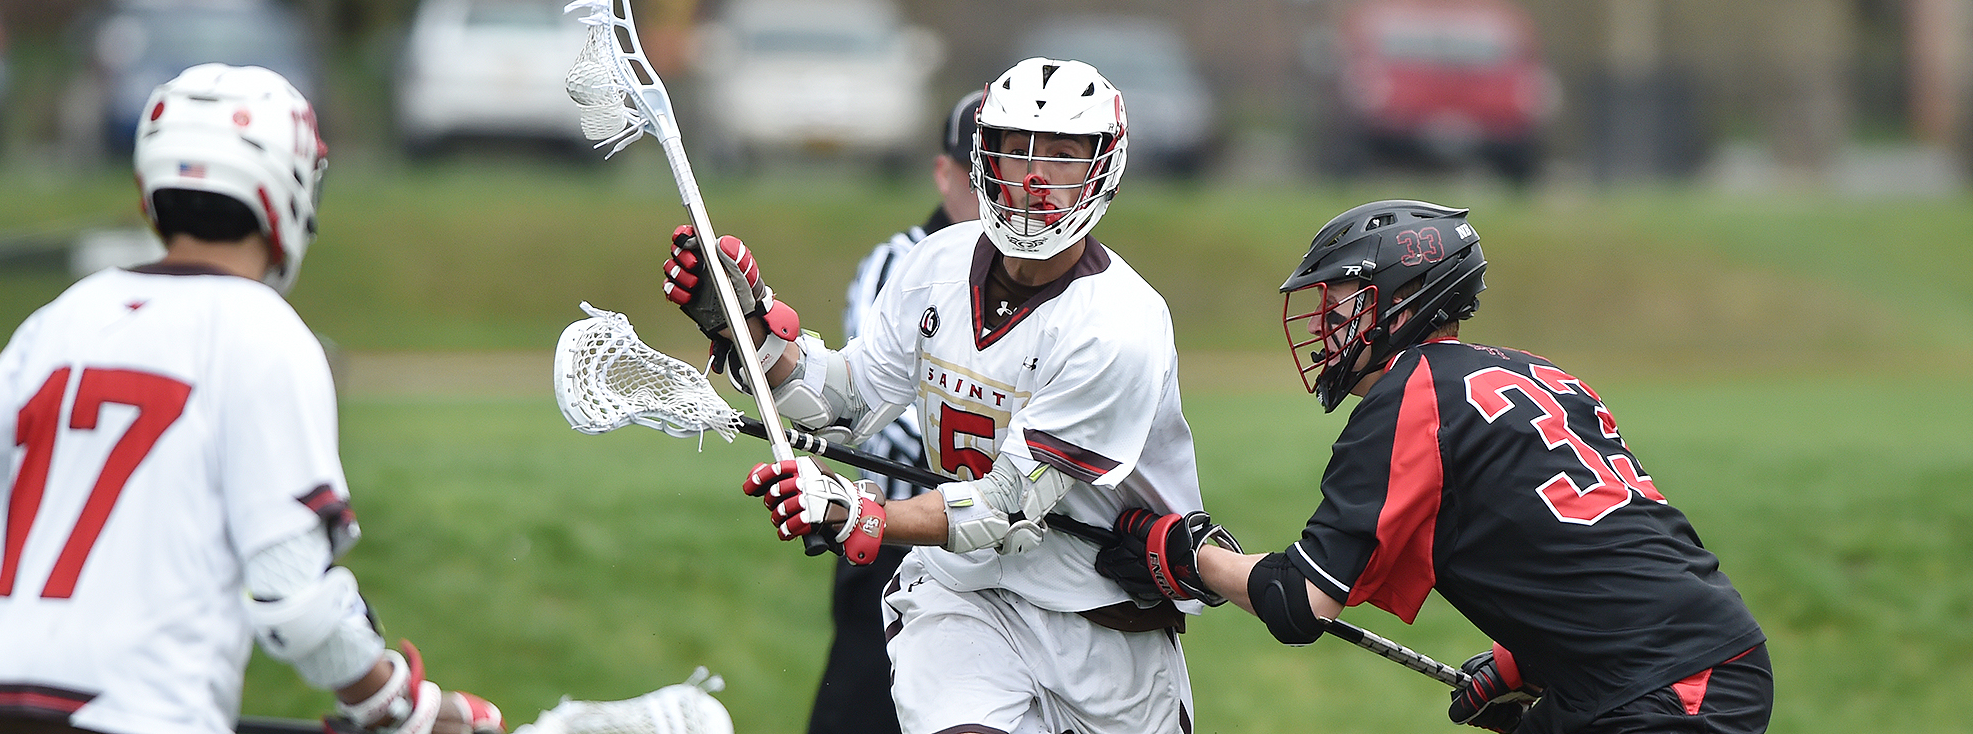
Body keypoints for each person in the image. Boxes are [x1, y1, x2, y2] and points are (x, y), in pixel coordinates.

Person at [663, 58, 1211, 734]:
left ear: (1104, 168)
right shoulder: (937, 265)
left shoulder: (1120, 323)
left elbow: (1007, 508)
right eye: (1017, 151)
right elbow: (844, 405)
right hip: (967, 598)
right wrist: (753, 335)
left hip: (1107, 631)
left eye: (1063, 156)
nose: (1035, 177)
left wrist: (863, 516)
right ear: (985, 158)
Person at [1096, 200, 1772, 734]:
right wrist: (1520, 662)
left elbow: (1302, 602)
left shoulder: (1410, 394)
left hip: (1667, 683)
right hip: (1680, 659)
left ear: (1403, 297)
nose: (1329, 329)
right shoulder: (1537, 371)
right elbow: (1586, 547)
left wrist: (1189, 554)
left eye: (1343, 304)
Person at [0, 64, 505, 734]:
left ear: (149, 186)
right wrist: (401, 706)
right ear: (288, 189)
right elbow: (296, 601)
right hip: (146, 713)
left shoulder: (58, 321)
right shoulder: (263, 333)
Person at [806, 88, 985, 734]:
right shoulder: (900, 262)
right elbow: (880, 406)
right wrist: (989, 488)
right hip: (890, 545)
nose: (997, 191)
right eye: (978, 173)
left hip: (999, 552)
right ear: (944, 174)